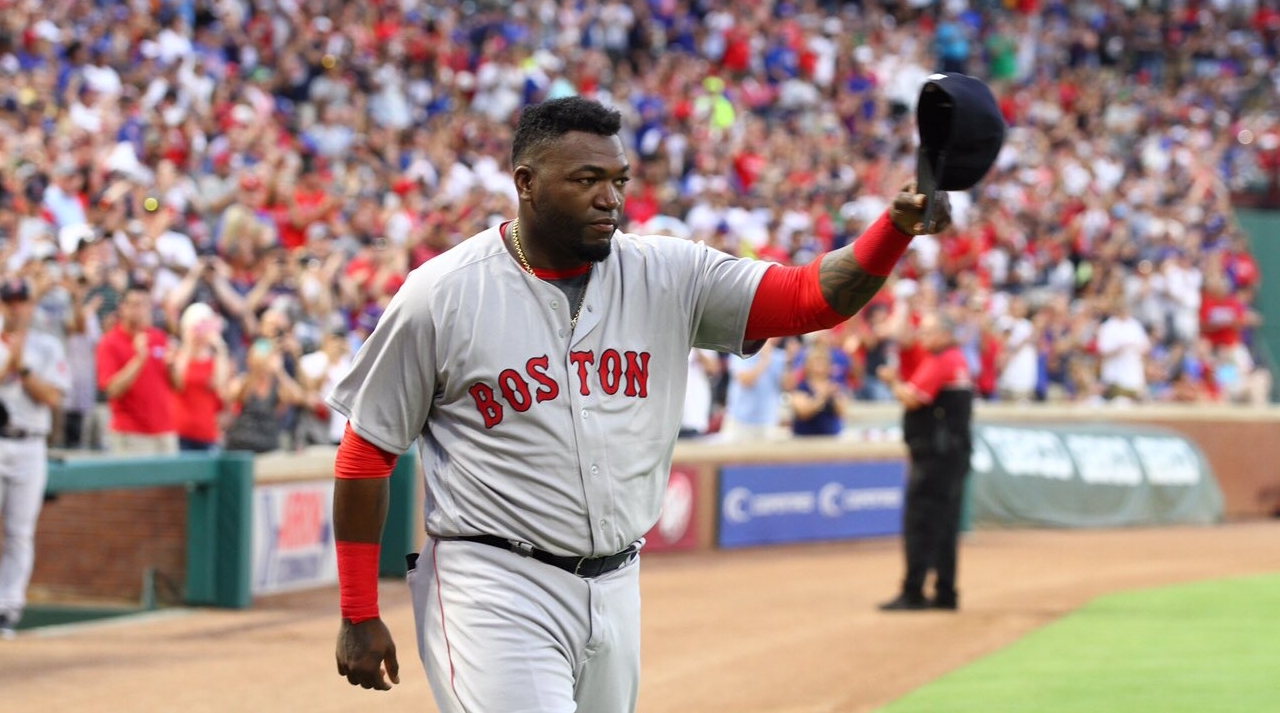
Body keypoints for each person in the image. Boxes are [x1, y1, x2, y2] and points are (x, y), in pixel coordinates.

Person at [327, 97, 951, 711]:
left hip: (618, 584)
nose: (610, 198)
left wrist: (894, 229)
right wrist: (358, 611)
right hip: (492, 581)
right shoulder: (441, 294)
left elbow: (811, 298)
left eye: (618, 180)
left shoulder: (668, 272)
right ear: (527, 184)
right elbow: (366, 452)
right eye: (586, 180)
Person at [875, 309, 974, 612]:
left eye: (929, 332)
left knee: (920, 523)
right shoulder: (954, 358)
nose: (923, 337)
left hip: (935, 457)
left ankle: (914, 591)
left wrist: (892, 382)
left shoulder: (942, 360)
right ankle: (945, 591)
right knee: (945, 524)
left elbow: (913, 397)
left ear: (945, 333)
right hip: (952, 454)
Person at [0, 278, 71, 638]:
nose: (15, 307)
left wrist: (22, 368)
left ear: (31, 304)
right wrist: (9, 360)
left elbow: (52, 397)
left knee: (19, 532)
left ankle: (7, 608)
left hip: (31, 444)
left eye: (21, 301)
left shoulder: (46, 345)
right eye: (9, 301)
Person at [95, 284, 178, 454]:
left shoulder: (158, 337)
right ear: (122, 308)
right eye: (134, 305)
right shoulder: (109, 342)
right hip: (131, 433)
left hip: (165, 430)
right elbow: (112, 389)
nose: (140, 311)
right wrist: (139, 359)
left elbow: (177, 386)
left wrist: (172, 367)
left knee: (172, 481)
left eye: (145, 305)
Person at [170, 301, 232, 451]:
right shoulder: (180, 357)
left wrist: (219, 346)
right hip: (181, 431)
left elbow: (221, 387)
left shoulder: (215, 362)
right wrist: (188, 344)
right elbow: (178, 382)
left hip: (207, 433)